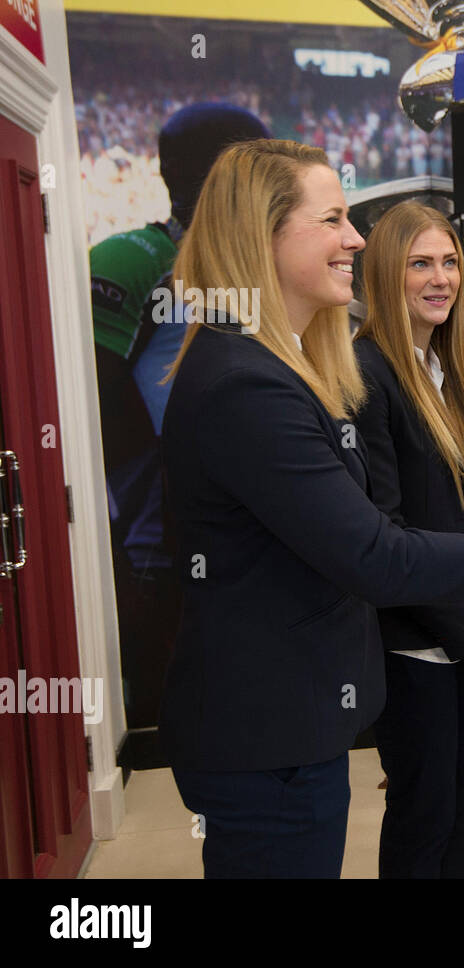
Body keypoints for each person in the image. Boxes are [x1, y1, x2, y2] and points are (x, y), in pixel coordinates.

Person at [160, 139, 464, 878]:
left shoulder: (273, 366)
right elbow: (375, 551)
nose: (355, 239)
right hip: (266, 734)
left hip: (291, 727)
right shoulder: (251, 385)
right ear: (263, 234)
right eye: (334, 219)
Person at [88, 103, 269, 728]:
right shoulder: (131, 259)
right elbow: (96, 394)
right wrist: (174, 468)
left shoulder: (259, 268)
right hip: (160, 522)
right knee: (166, 644)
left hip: (245, 510)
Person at [350, 201, 464, 878]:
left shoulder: (446, 370)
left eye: (449, 263)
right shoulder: (368, 374)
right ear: (387, 273)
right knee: (423, 813)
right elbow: (387, 534)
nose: (440, 278)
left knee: (459, 802)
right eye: (421, 263)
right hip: (416, 646)